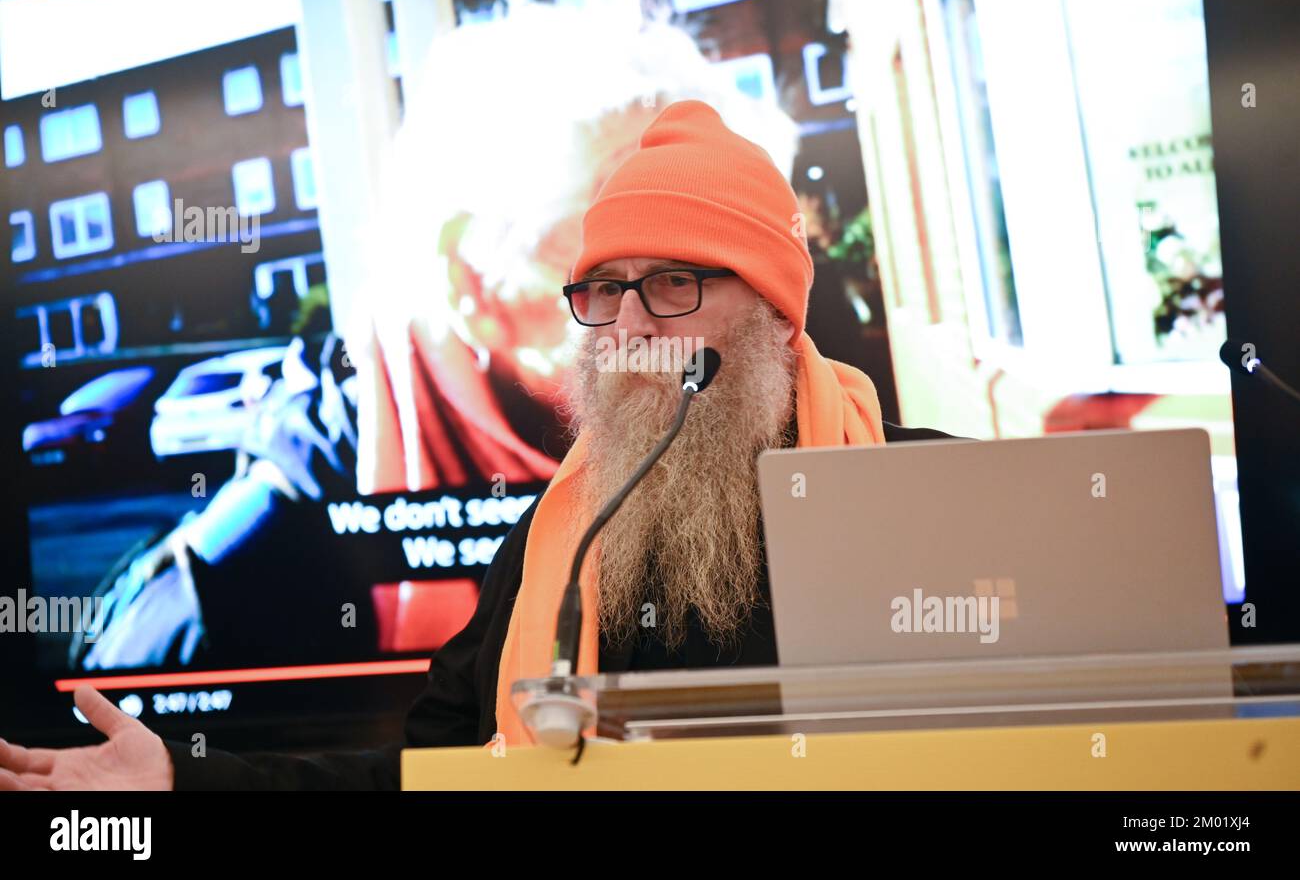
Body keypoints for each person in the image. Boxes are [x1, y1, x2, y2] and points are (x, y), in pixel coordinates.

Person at [0, 100, 956, 791]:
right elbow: (433, 778)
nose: (629, 324)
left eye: (674, 282)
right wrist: (183, 784)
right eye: (602, 287)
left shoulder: (924, 496)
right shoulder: (558, 538)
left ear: (775, 312)